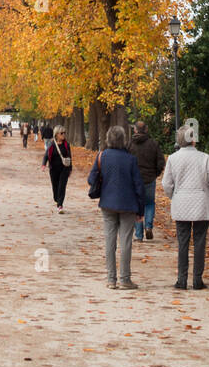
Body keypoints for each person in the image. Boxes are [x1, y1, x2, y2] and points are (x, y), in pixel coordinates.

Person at [87, 125, 146, 290]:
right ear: (123, 140)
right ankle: (125, 279)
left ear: (108, 139)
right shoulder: (131, 159)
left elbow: (91, 180)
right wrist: (141, 211)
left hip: (108, 204)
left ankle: (111, 279)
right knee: (126, 242)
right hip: (128, 205)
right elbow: (139, 186)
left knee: (109, 241)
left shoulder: (102, 156)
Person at [162, 122, 209, 290]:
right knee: (200, 242)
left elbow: (166, 183)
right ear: (193, 140)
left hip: (181, 203)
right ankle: (197, 280)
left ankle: (181, 279)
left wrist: (174, 196)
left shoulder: (173, 158)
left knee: (183, 242)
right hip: (201, 203)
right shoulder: (204, 158)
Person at [128, 121, 166, 241]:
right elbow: (161, 162)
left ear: (135, 130)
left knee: (136, 206)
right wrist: (155, 174)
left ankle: (139, 234)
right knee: (149, 204)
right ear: (146, 129)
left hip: (134, 181)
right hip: (149, 179)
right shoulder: (153, 144)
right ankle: (148, 226)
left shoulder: (130, 145)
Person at [42, 124, 73, 211]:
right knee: (55, 186)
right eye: (61, 133)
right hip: (53, 169)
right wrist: (44, 164)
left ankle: (60, 205)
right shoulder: (52, 145)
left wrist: (70, 168)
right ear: (56, 134)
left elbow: (70, 157)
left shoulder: (66, 145)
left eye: (64, 133)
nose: (63, 135)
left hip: (64, 169)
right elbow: (46, 156)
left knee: (62, 186)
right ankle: (57, 199)